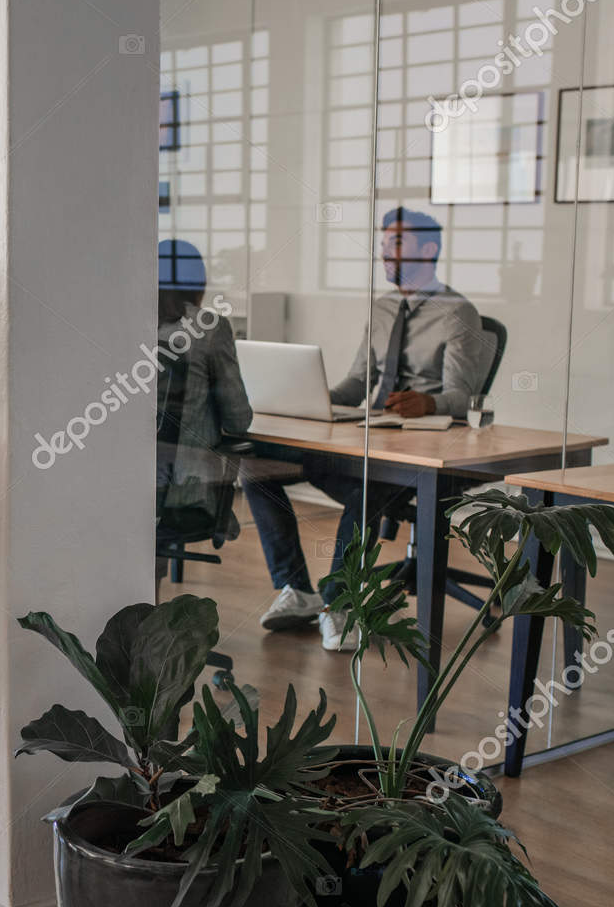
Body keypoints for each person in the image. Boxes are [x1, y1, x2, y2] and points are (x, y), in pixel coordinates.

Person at [244, 207, 493, 648]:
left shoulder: (458, 313)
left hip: (416, 449)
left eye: (396, 243)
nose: (385, 254)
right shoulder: (382, 309)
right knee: (255, 468)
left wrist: (429, 401)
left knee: (365, 489)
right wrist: (309, 398)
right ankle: (297, 589)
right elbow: (359, 382)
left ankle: (341, 603)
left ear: (429, 249)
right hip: (366, 432)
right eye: (383, 244)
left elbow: (464, 396)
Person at [155, 239, 252, 541]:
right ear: (198, 282)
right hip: (185, 497)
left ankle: (149, 588)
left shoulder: (122, 326)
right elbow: (238, 420)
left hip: (127, 489)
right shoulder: (209, 327)